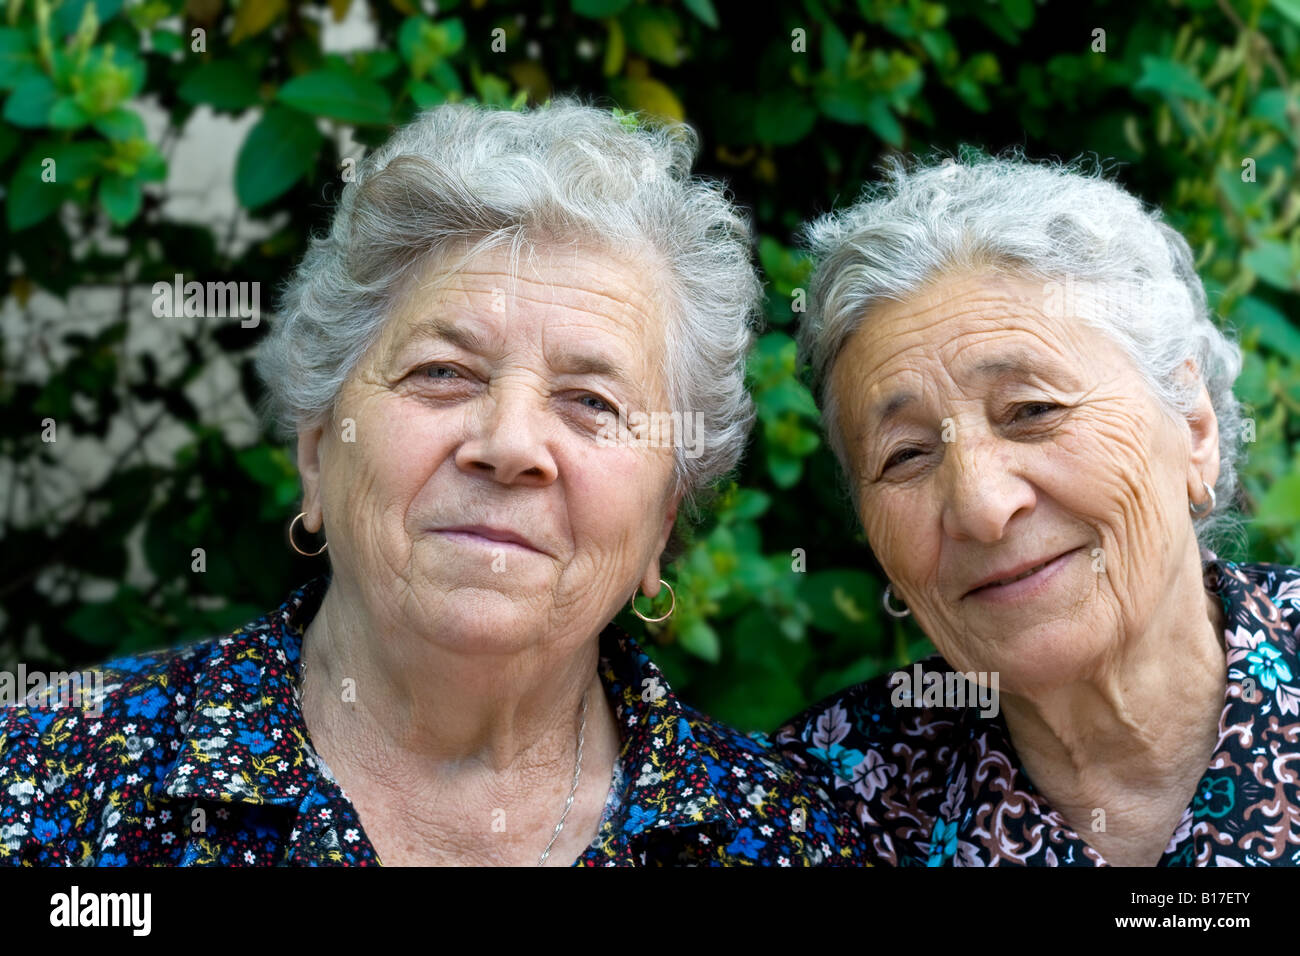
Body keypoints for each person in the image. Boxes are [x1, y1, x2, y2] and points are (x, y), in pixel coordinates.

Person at [0, 99, 864, 867]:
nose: (510, 444)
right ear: (314, 449)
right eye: (443, 373)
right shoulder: (51, 776)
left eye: (591, 401)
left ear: (664, 517)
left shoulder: (787, 841)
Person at [774, 151, 1300, 866]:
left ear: (1194, 427)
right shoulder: (812, 813)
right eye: (906, 455)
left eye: (1032, 411)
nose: (983, 507)